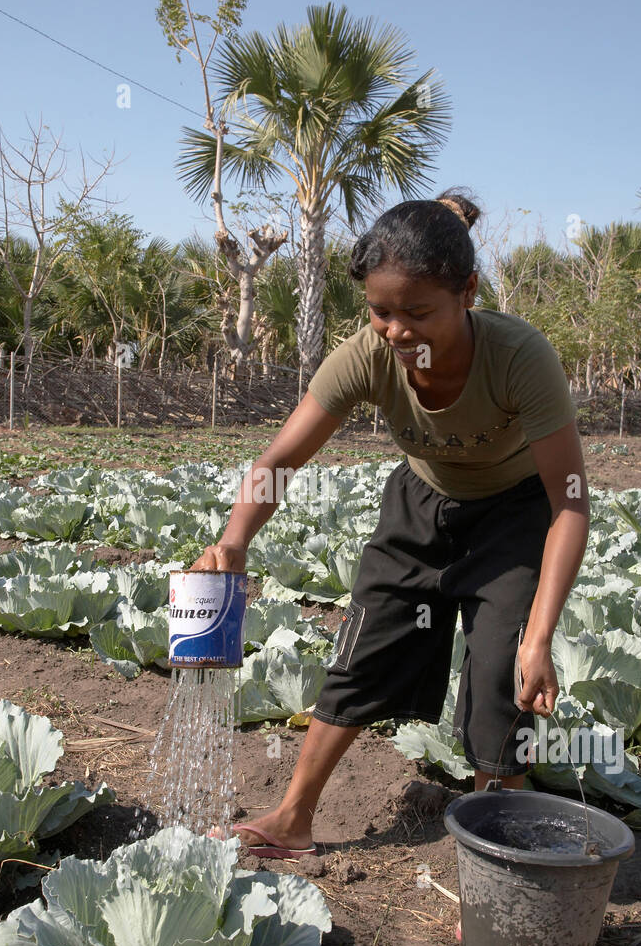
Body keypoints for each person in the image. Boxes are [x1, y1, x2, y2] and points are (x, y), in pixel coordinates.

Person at [191, 191, 590, 875]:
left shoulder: (520, 357)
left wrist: (539, 636)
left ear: (467, 292)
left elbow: (571, 502)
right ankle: (293, 818)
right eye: (381, 312)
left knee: (502, 681)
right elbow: (277, 464)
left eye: (418, 313)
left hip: (516, 515)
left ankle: (498, 868)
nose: (398, 331)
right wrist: (234, 541)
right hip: (421, 504)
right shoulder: (365, 357)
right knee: (358, 652)